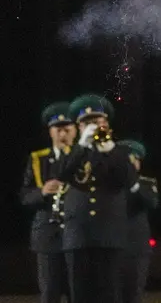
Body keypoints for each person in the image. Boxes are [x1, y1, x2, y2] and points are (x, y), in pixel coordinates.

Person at [60, 93, 137, 303]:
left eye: (98, 122)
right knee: (80, 294)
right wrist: (82, 147)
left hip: (109, 234)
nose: (94, 127)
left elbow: (128, 179)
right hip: (78, 235)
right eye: (87, 123)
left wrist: (110, 151)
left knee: (110, 294)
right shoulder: (72, 152)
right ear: (79, 127)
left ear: (107, 124)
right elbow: (62, 174)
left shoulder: (119, 151)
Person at [22, 102, 76, 303]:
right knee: (49, 293)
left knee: (77, 292)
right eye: (58, 129)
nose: (63, 134)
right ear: (50, 132)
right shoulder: (38, 159)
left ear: (75, 131)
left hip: (77, 233)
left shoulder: (84, 158)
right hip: (48, 235)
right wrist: (42, 192)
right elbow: (25, 196)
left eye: (67, 129)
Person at [117, 140, 157, 303]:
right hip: (111, 246)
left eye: (136, 160)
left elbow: (151, 203)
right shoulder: (111, 185)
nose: (134, 164)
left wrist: (132, 182)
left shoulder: (146, 183)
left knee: (134, 294)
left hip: (136, 249)